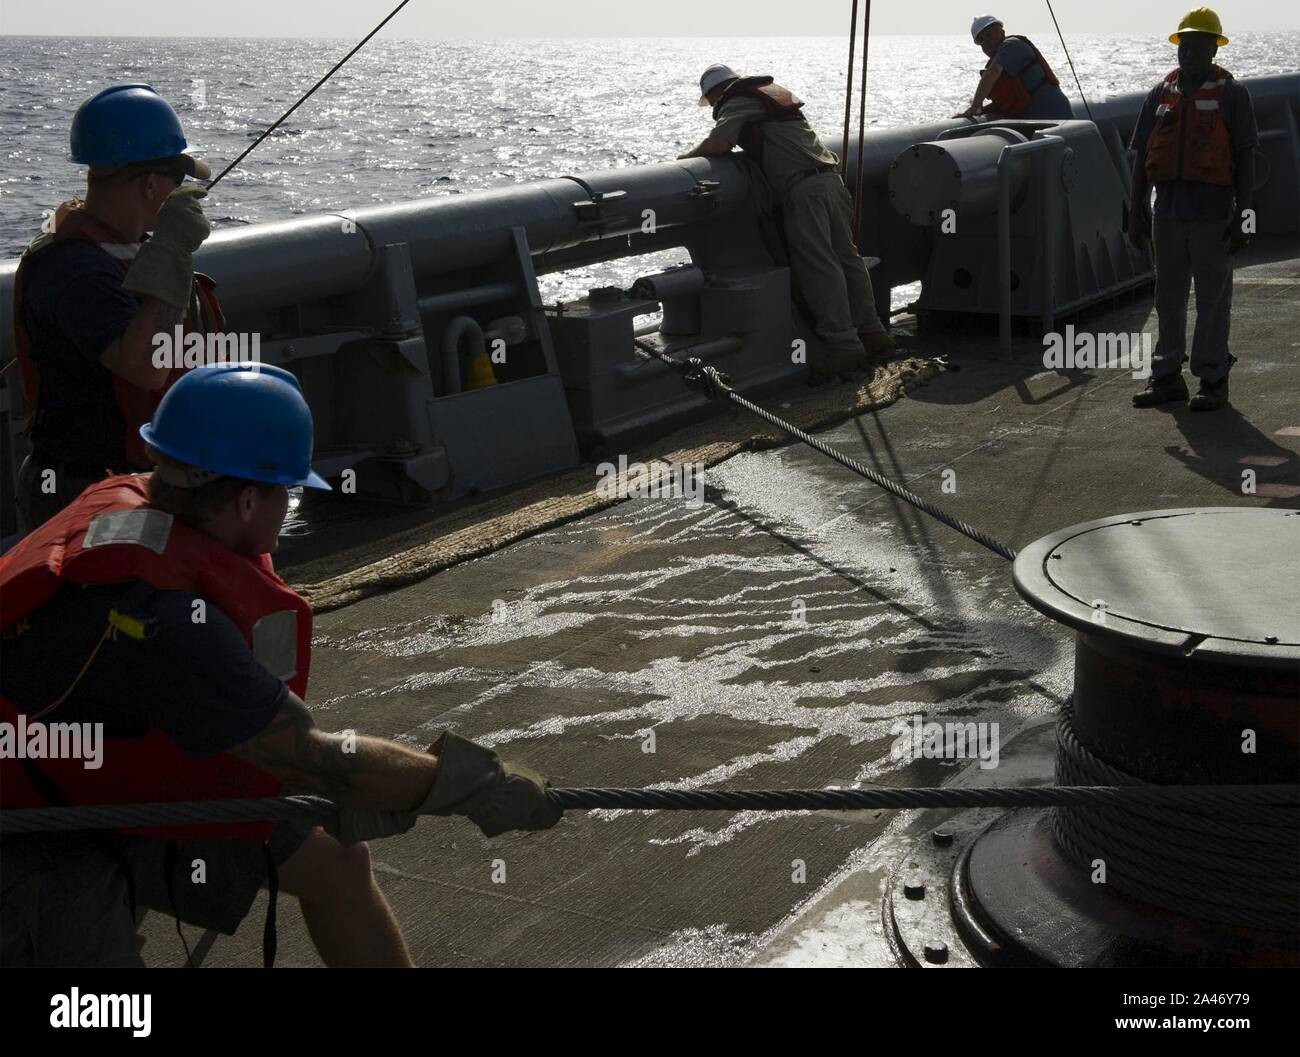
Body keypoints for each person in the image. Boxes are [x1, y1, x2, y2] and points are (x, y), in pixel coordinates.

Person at [0, 364, 562, 968]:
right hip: (32, 816)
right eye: (287, 491)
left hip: (103, 763)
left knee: (335, 863)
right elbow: (316, 760)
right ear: (246, 499)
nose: (289, 507)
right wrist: (478, 785)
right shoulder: (163, 623)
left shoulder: (146, 501)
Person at [12, 84, 220, 534]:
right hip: (85, 492)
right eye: (177, 182)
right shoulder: (73, 268)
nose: (180, 192)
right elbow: (144, 367)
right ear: (151, 184)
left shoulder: (123, 251)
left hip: (130, 480)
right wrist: (172, 249)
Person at [678, 63, 893, 383]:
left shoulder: (736, 101)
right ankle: (872, 332)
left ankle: (844, 346)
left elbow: (718, 144)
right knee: (847, 258)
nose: (712, 107)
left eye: (710, 102)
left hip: (803, 191)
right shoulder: (767, 94)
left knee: (819, 266)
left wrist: (686, 162)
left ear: (715, 93)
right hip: (830, 181)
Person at [1129, 8, 1256, 412]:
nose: (1190, 52)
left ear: (1213, 48)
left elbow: (1246, 157)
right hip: (1166, 211)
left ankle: (1213, 379)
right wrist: (1136, 210)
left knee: (1213, 300)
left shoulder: (1232, 95)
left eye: (1199, 45)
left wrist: (1243, 216)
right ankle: (1166, 377)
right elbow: (1141, 157)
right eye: (1185, 45)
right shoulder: (1159, 95)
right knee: (1167, 296)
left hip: (1214, 212)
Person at [956, 16, 1073, 121]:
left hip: (1054, 116)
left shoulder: (1012, 45)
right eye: (981, 40)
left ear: (1002, 33)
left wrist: (973, 109)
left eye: (989, 35)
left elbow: (992, 73)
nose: (986, 42)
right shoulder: (999, 62)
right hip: (1031, 119)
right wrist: (979, 113)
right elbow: (1006, 102)